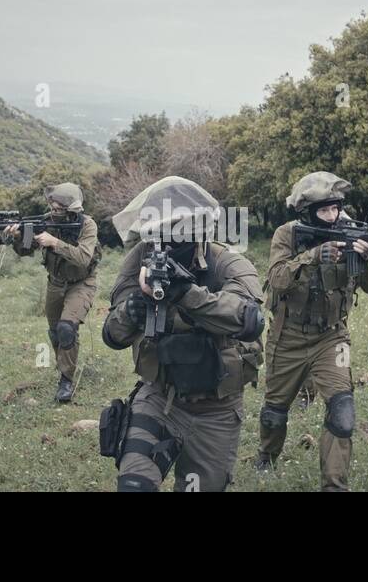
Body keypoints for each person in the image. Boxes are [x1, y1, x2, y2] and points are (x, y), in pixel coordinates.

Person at [101, 176, 265, 492]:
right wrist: (132, 310)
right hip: (160, 397)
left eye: (177, 230)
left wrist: (188, 295)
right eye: (158, 232)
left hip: (216, 409)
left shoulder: (227, 262)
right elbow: (112, 335)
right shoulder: (139, 260)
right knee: (134, 484)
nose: (165, 243)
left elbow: (249, 320)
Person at [256, 171, 368, 491]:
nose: (332, 216)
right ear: (307, 213)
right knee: (275, 409)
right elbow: (276, 278)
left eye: (335, 208)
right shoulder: (287, 235)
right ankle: (266, 455)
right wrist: (313, 256)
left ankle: (334, 485)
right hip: (287, 336)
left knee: (343, 410)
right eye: (324, 210)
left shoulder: (352, 231)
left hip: (332, 337)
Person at [4, 183, 100, 403]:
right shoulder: (44, 221)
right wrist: (18, 236)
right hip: (55, 283)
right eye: (52, 207)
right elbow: (25, 250)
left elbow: (84, 258)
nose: (53, 211)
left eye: (59, 209)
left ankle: (66, 380)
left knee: (67, 328)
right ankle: (63, 365)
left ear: (71, 209)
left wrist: (54, 242)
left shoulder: (87, 225)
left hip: (82, 283)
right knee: (55, 331)